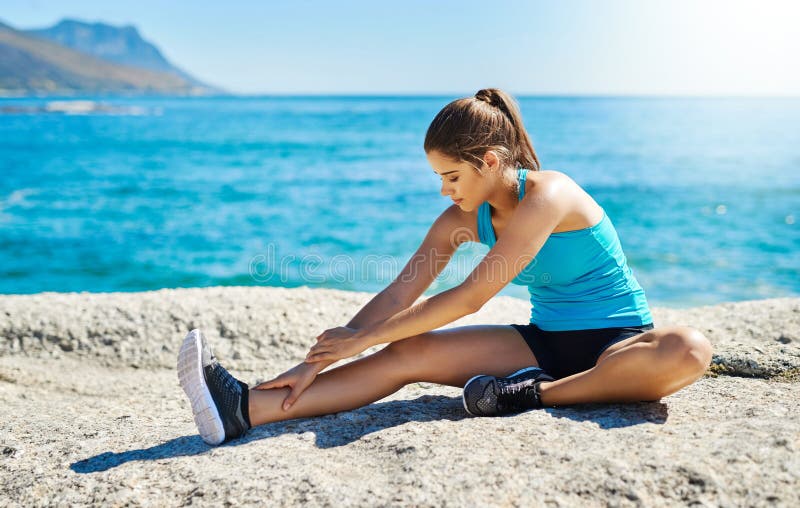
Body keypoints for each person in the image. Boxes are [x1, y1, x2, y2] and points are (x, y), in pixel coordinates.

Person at [177, 88, 714, 446]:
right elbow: (397, 296)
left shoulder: (550, 194)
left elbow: (468, 299)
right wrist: (319, 358)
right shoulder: (461, 219)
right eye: (439, 177)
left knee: (689, 349)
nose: (444, 189)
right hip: (544, 344)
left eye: (452, 175)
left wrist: (357, 343)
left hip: (619, 344)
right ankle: (243, 409)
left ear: (491, 161)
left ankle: (528, 395)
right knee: (405, 351)